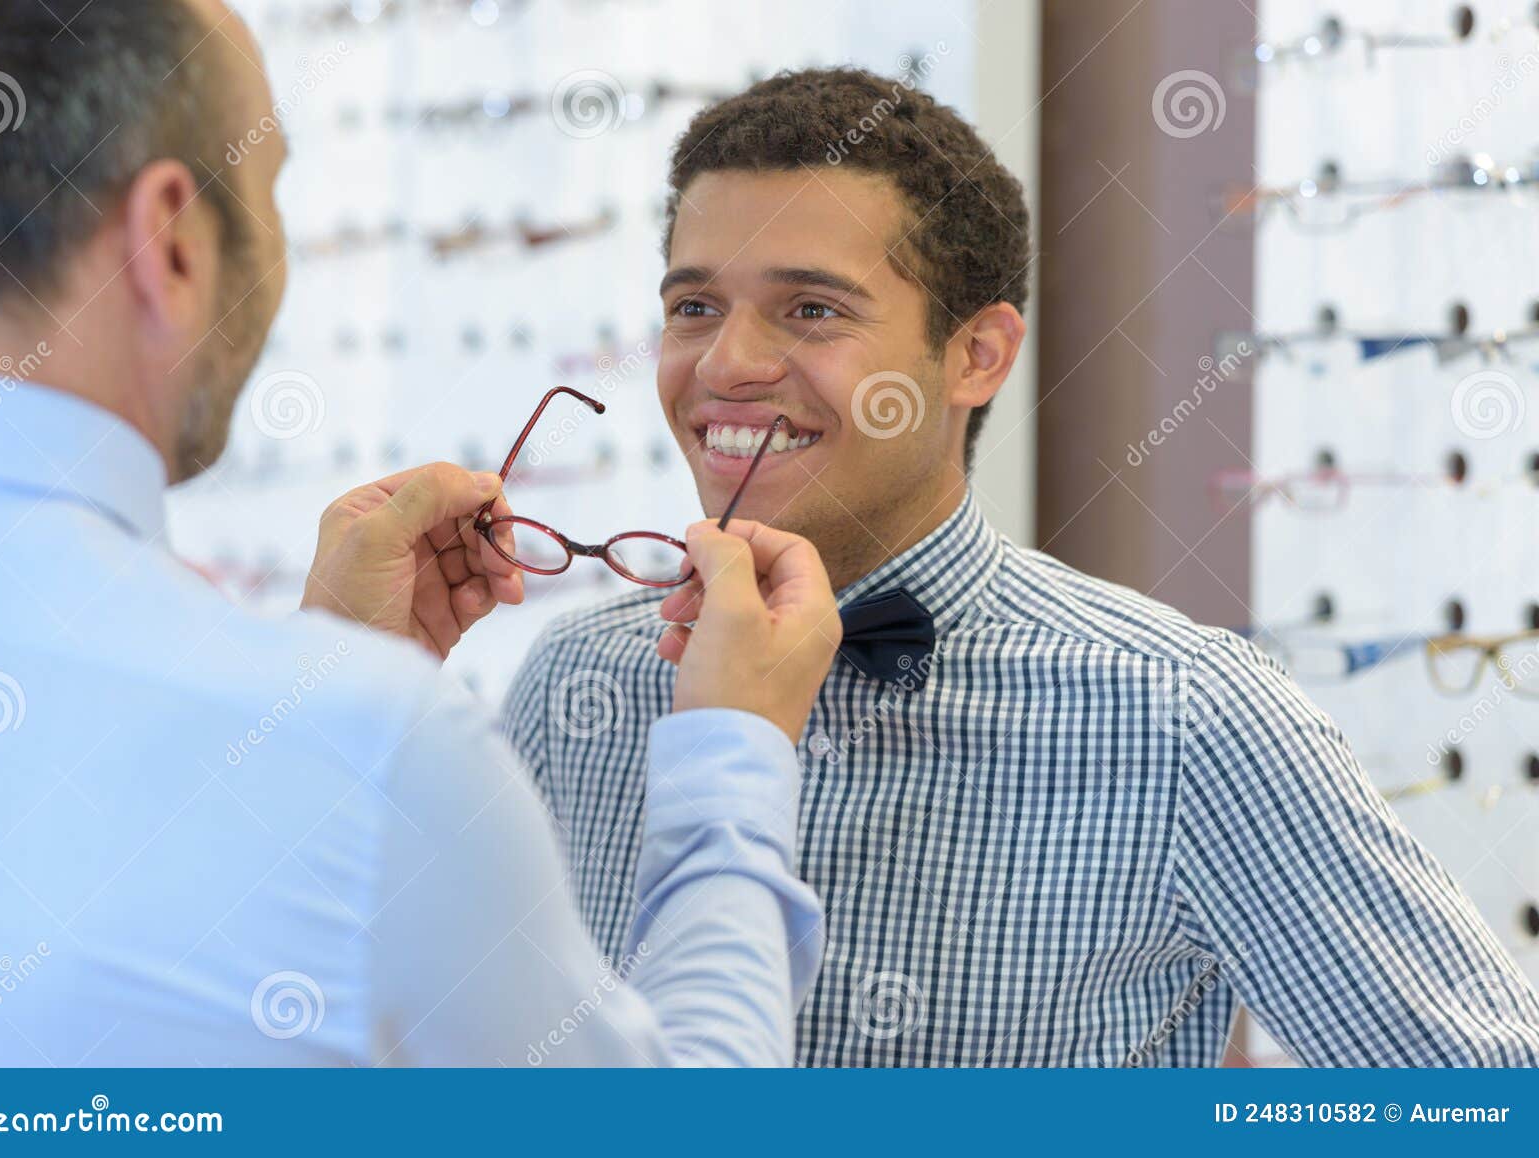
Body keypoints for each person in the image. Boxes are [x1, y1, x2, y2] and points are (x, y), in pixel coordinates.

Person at [502, 67, 1539, 1066]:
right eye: (693, 307)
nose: (726, 364)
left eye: (810, 309)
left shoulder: (1184, 717)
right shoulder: (572, 689)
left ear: (978, 355)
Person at [0, 0, 842, 1066]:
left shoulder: (335, 739)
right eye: (270, 191)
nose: (732, 363)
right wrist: (731, 758)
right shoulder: (369, 752)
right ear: (172, 243)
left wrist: (324, 684)